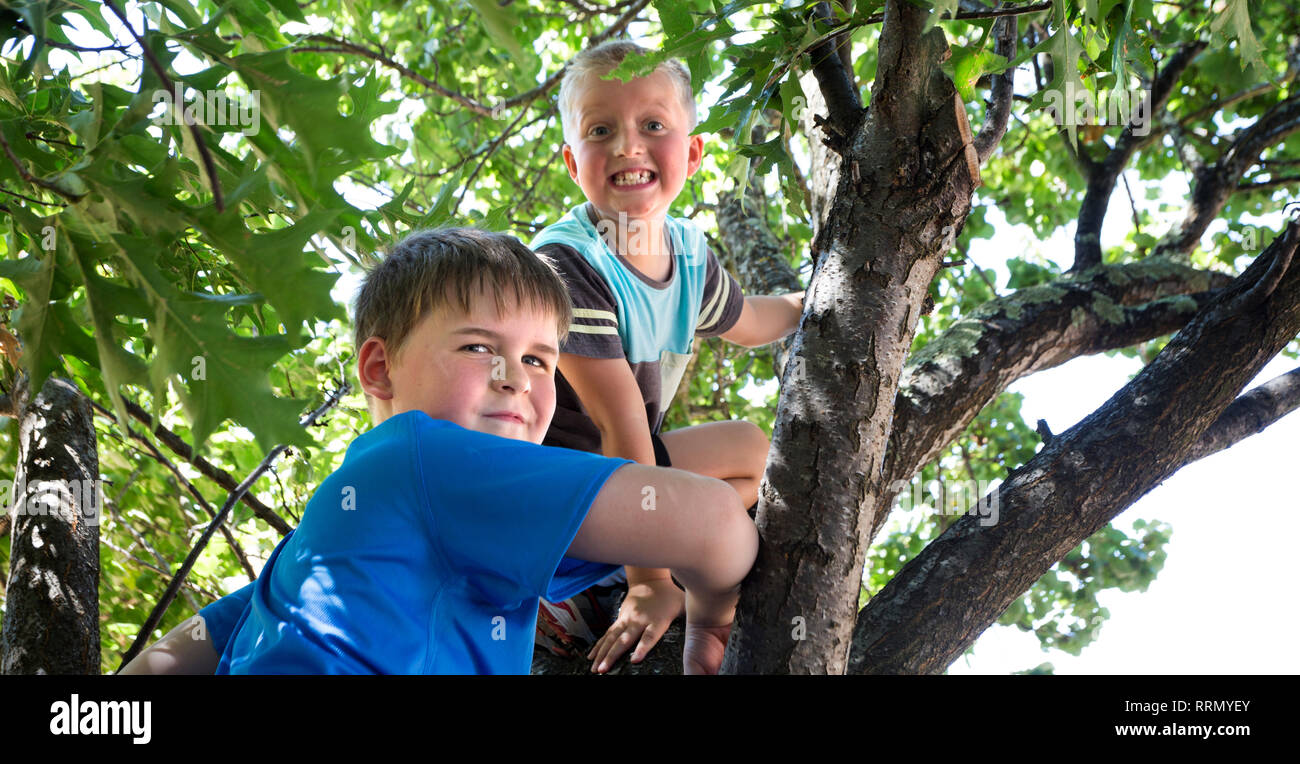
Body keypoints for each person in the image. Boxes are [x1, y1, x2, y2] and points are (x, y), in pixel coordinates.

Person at [118, 228, 757, 675]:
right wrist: (711, 613)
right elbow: (713, 522)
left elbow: (181, 653)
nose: (518, 377)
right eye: (479, 347)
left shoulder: (318, 552)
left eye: (539, 359)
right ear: (380, 367)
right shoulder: (428, 460)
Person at [531, 41, 803, 672]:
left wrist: (813, 296)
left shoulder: (687, 257)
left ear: (692, 150)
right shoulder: (566, 263)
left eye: (653, 125)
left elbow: (750, 321)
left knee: (755, 452)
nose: (628, 146)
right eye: (602, 131)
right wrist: (649, 579)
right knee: (715, 511)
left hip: (627, 475)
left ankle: (668, 595)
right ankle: (594, 588)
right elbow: (619, 425)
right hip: (559, 496)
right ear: (574, 162)